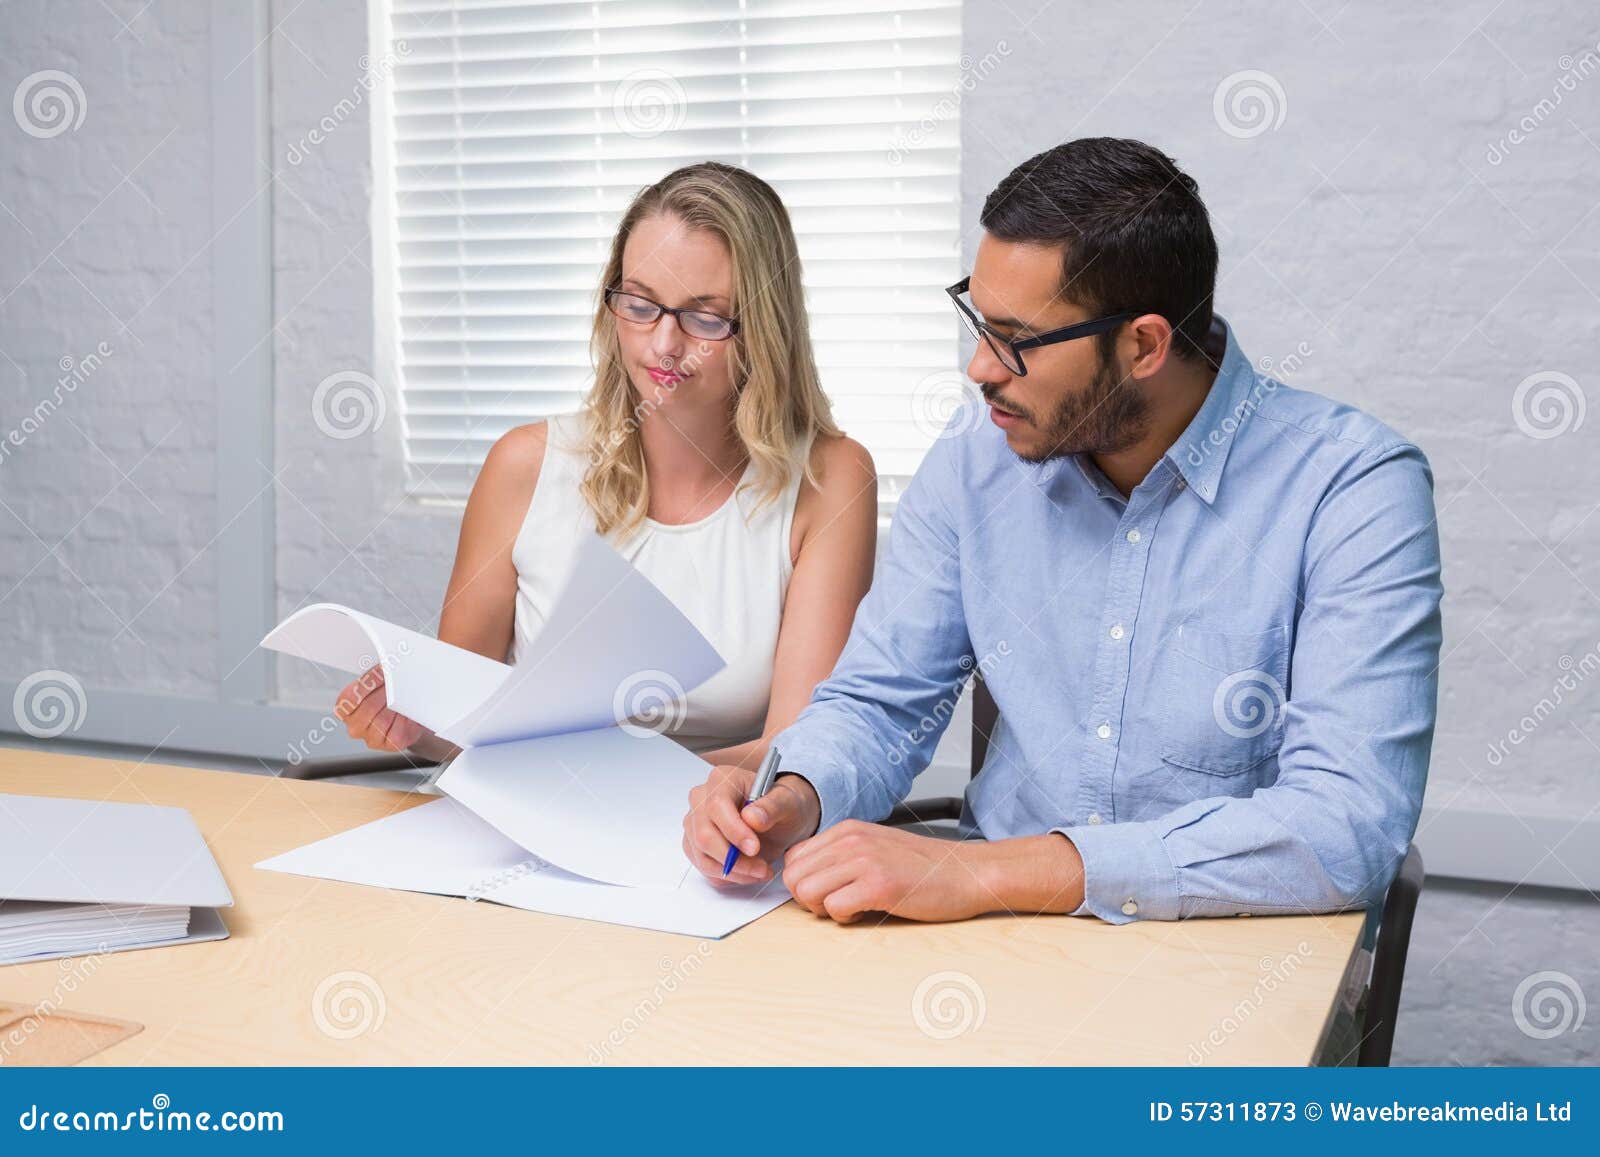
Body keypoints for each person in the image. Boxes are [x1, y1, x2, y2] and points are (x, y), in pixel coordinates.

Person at [683, 137, 1444, 925]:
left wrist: (988, 873)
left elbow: (1347, 825)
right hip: (991, 946)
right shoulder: (976, 458)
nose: (980, 368)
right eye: (979, 322)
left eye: (1015, 340)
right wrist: (792, 796)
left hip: (1224, 950)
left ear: (1143, 345)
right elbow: (881, 702)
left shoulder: (1352, 487)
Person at [336, 162, 878, 771]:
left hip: (721, 819)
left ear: (765, 326)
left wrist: (600, 787)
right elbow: (462, 725)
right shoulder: (524, 466)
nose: (664, 345)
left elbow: (794, 754)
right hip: (528, 808)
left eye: (705, 318)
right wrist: (412, 722)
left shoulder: (830, 479)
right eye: (640, 305)